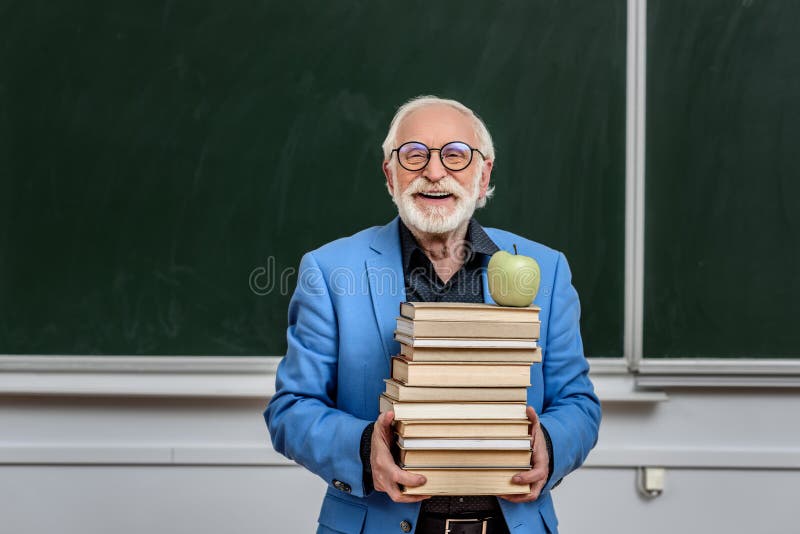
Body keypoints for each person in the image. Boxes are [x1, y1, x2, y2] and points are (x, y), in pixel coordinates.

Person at [264, 96, 601, 534]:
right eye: (414, 155)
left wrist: (550, 444)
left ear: (484, 176)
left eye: (456, 155)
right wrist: (365, 448)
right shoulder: (330, 271)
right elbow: (290, 409)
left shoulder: (546, 268)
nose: (435, 172)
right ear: (390, 175)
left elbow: (579, 402)